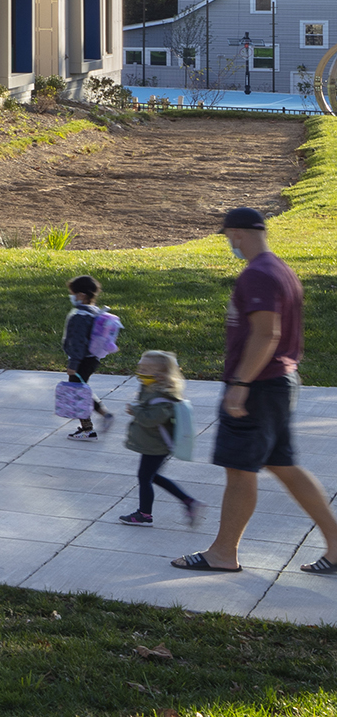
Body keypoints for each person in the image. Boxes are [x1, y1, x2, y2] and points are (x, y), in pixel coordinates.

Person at [173, 206, 337, 577]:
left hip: (259, 386)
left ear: (237, 234)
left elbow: (267, 333)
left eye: (229, 236)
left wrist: (240, 385)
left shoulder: (258, 275)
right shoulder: (281, 269)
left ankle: (223, 553)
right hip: (278, 383)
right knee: (284, 466)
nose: (230, 243)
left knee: (240, 470)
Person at [117, 350, 200, 529]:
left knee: (145, 477)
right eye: (140, 367)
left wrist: (136, 411)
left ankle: (145, 514)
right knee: (151, 476)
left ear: (161, 375)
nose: (141, 371)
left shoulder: (164, 397)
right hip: (152, 443)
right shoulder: (149, 387)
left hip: (157, 445)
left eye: (146, 369)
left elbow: (150, 419)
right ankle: (188, 501)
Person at [61, 274, 121, 439]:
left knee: (78, 393)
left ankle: (88, 429)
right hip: (92, 359)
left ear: (81, 295)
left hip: (81, 360)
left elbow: (79, 342)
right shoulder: (94, 311)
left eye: (73, 293)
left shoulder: (80, 316)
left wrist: (73, 363)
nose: (72, 296)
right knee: (81, 390)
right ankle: (101, 417)